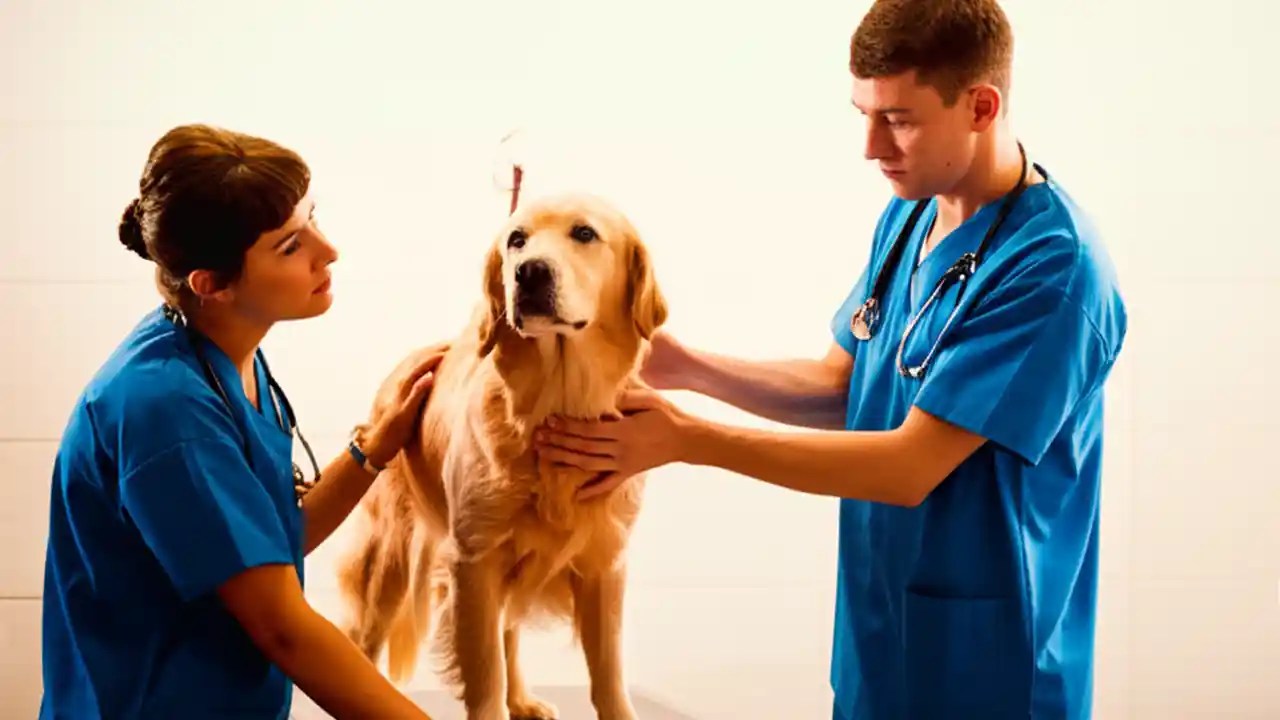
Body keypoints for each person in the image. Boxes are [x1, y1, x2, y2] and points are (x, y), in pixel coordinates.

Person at [532, 1, 1128, 718]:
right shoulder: (914, 210)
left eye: (898, 119)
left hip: (989, 669)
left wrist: (688, 439)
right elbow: (842, 385)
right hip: (882, 646)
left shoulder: (1054, 270)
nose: (872, 146)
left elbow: (910, 466)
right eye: (864, 115)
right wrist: (685, 366)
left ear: (981, 106)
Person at [39, 124, 446, 719]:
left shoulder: (224, 358)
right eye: (289, 246)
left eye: (314, 218)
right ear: (213, 285)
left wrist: (372, 450)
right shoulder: (166, 410)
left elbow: (271, 538)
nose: (326, 250)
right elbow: (282, 628)